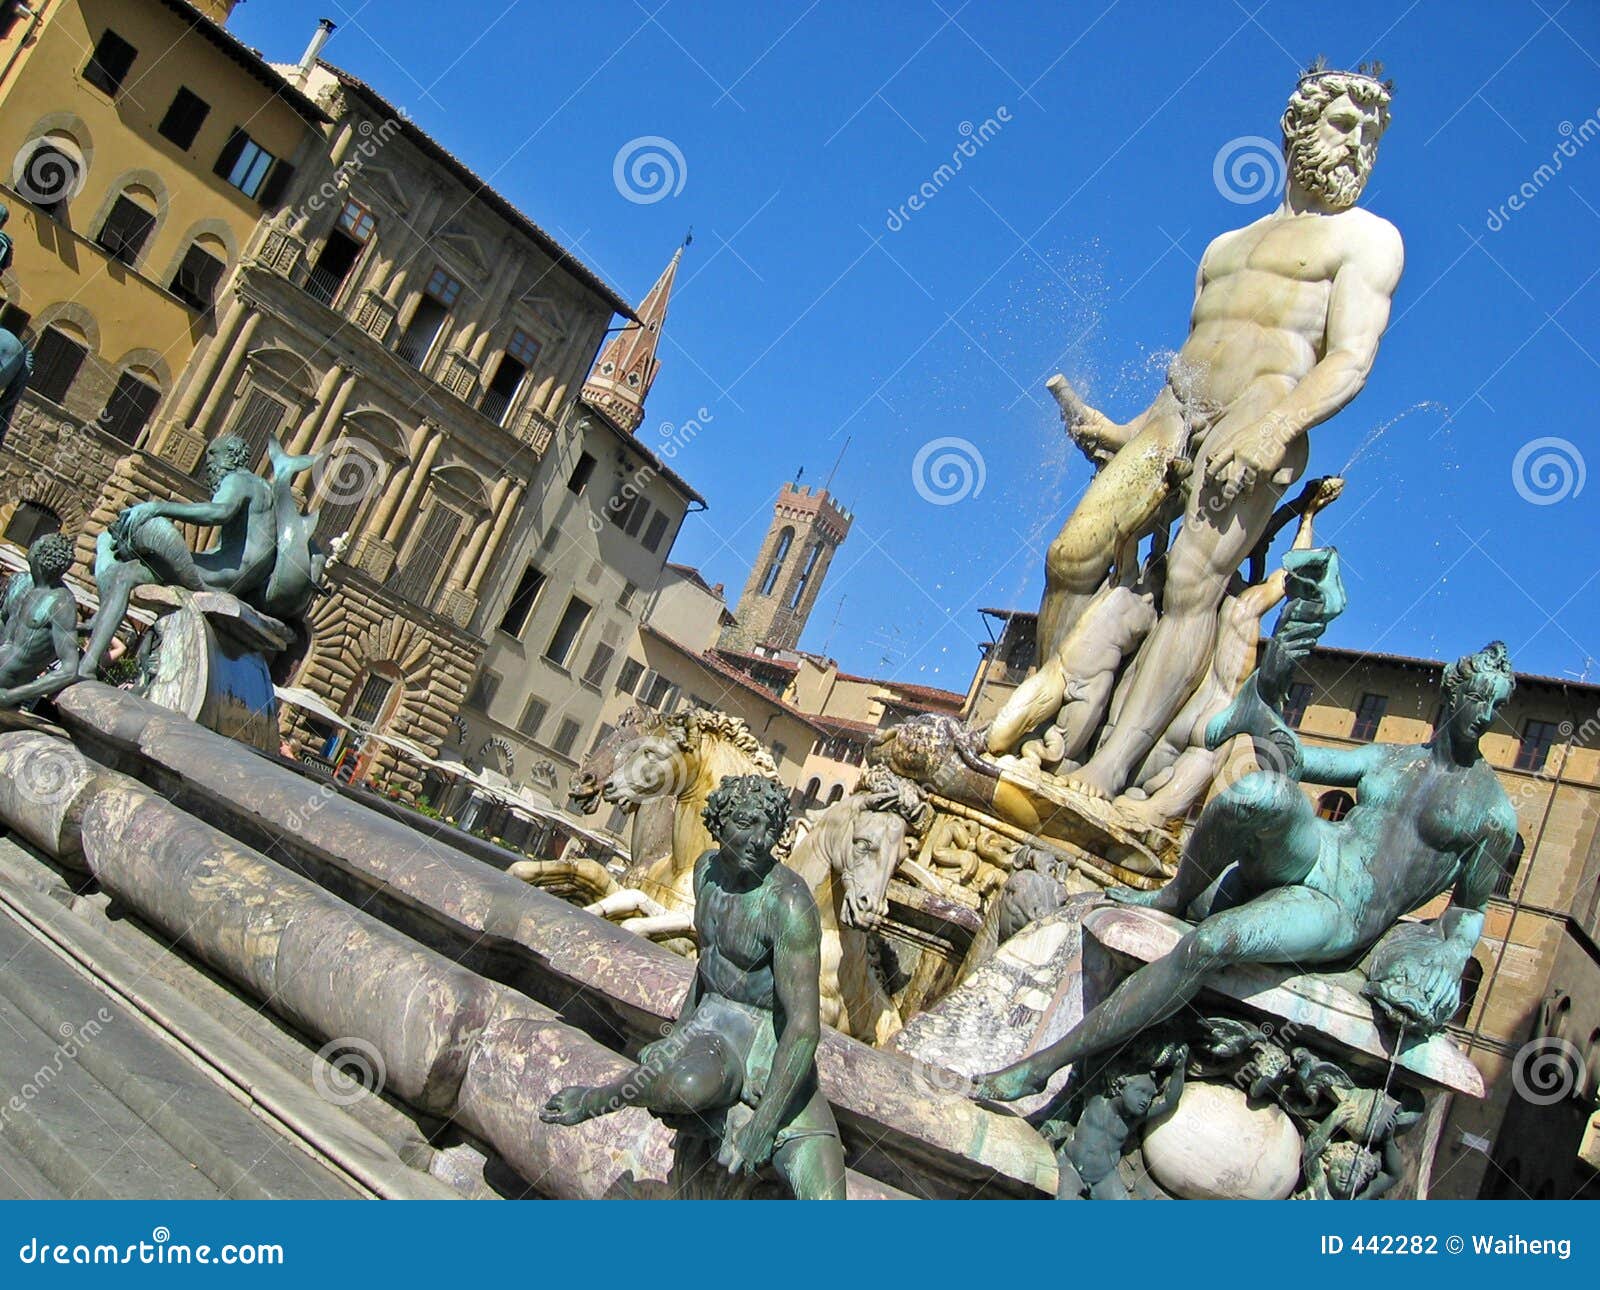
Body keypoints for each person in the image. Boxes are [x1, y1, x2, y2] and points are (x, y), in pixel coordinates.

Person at [972, 598, 1518, 1104]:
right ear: (1452, 694)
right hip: (1319, 852)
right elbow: (1298, 762)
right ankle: (1173, 893)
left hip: (1342, 910)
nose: (1486, 717)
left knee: (1212, 942)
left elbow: (1468, 911)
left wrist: (1449, 956)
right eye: (1479, 700)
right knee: (1262, 792)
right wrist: (1277, 670)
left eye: (1496, 707)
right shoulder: (1392, 760)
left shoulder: (1492, 812)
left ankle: (1044, 1065)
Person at [1035, 69, 1403, 800]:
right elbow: (1195, 357)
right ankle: (1059, 714)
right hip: (1177, 415)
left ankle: (1110, 770)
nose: (1358, 144)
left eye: (1370, 136)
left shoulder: (1367, 239)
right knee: (1072, 556)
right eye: (1342, 125)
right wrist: (1122, 429)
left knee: (1192, 589)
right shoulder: (1224, 246)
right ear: (1297, 129)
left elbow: (1351, 360)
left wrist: (1280, 426)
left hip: (1261, 417)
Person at [541, 773, 846, 1199]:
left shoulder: (788, 903)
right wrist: (678, 1035)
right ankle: (597, 1099)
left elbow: (803, 1027)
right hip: (715, 1030)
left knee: (828, 1195)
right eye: (746, 822)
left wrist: (763, 1125)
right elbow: (706, 965)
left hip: (767, 1044)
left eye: (770, 828)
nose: (759, 839)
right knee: (686, 1089)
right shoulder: (705, 872)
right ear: (719, 823)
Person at [0, 532, 79, 707]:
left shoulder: (61, 602)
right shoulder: (21, 582)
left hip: (7, 691)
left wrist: (11, 696)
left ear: (43, 554)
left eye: (38, 541)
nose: (32, 543)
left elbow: (69, 669)